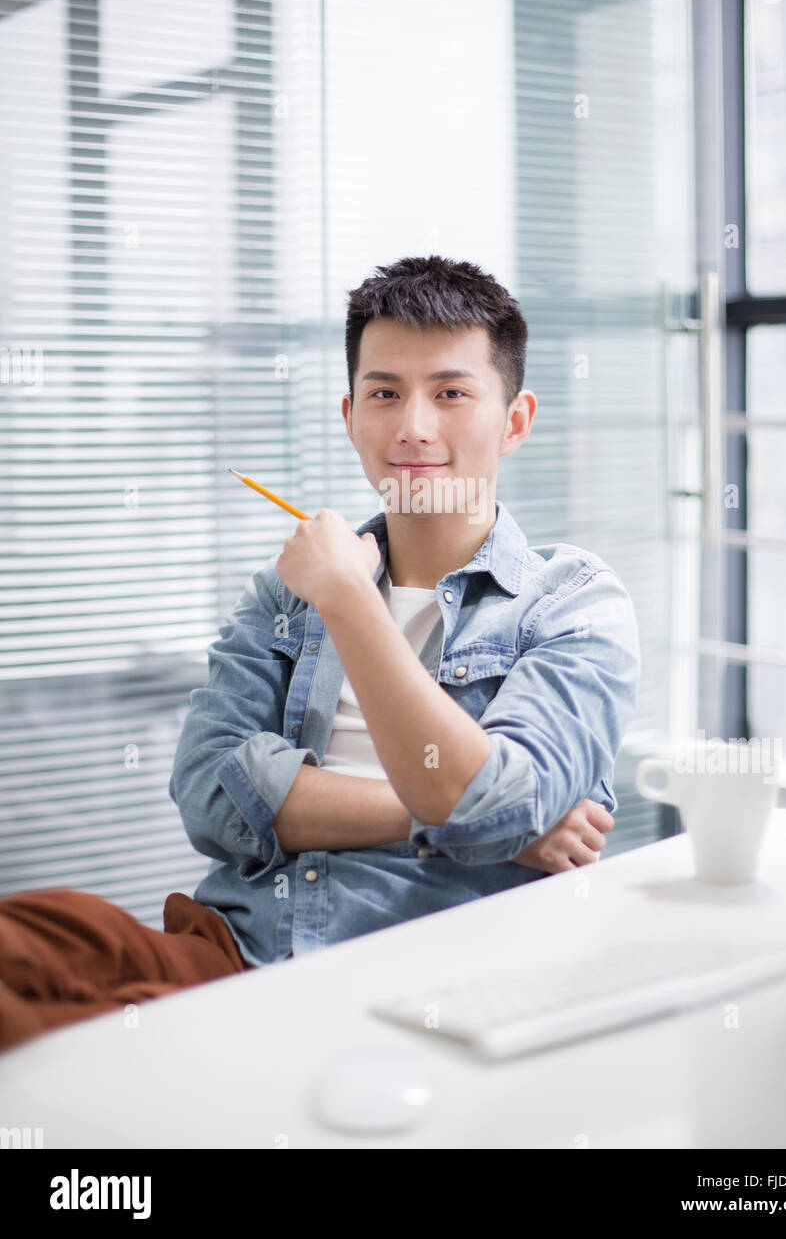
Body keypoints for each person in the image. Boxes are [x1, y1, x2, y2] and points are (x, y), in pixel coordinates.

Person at [0, 254, 640, 1052]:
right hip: (229, 951)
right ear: (349, 416)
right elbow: (207, 793)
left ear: (515, 420)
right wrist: (445, 816)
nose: (412, 426)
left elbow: (491, 808)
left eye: (451, 392)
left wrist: (346, 599)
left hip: (402, 991)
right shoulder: (285, 593)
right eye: (384, 393)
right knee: (30, 935)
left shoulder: (572, 600)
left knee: (57, 1046)